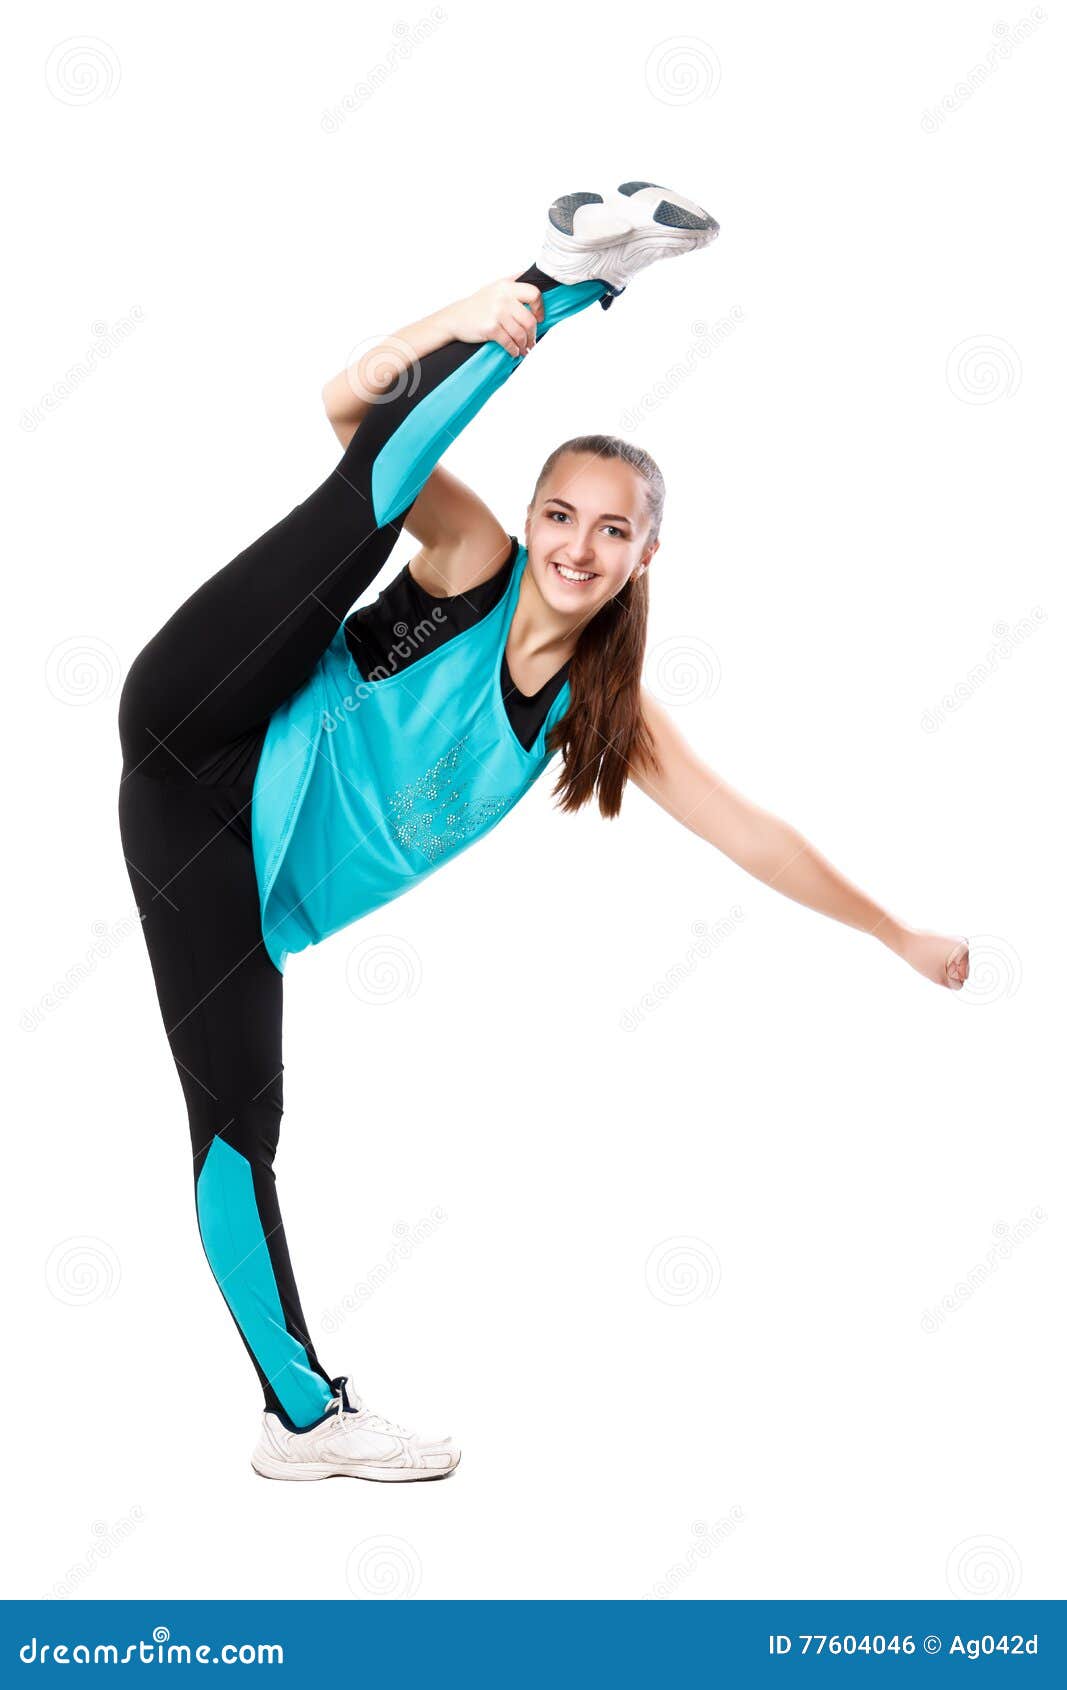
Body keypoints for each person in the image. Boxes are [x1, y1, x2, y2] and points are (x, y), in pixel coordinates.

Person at [117, 181, 969, 1484]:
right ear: (535, 517)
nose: (577, 545)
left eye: (612, 528)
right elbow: (347, 407)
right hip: (202, 715)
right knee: (362, 501)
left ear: (645, 556)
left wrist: (896, 933)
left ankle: (300, 1423)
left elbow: (752, 835)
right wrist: (476, 313)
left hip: (209, 851)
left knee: (240, 1123)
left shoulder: (597, 712)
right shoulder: (474, 562)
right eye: (561, 513)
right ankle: (562, 283)